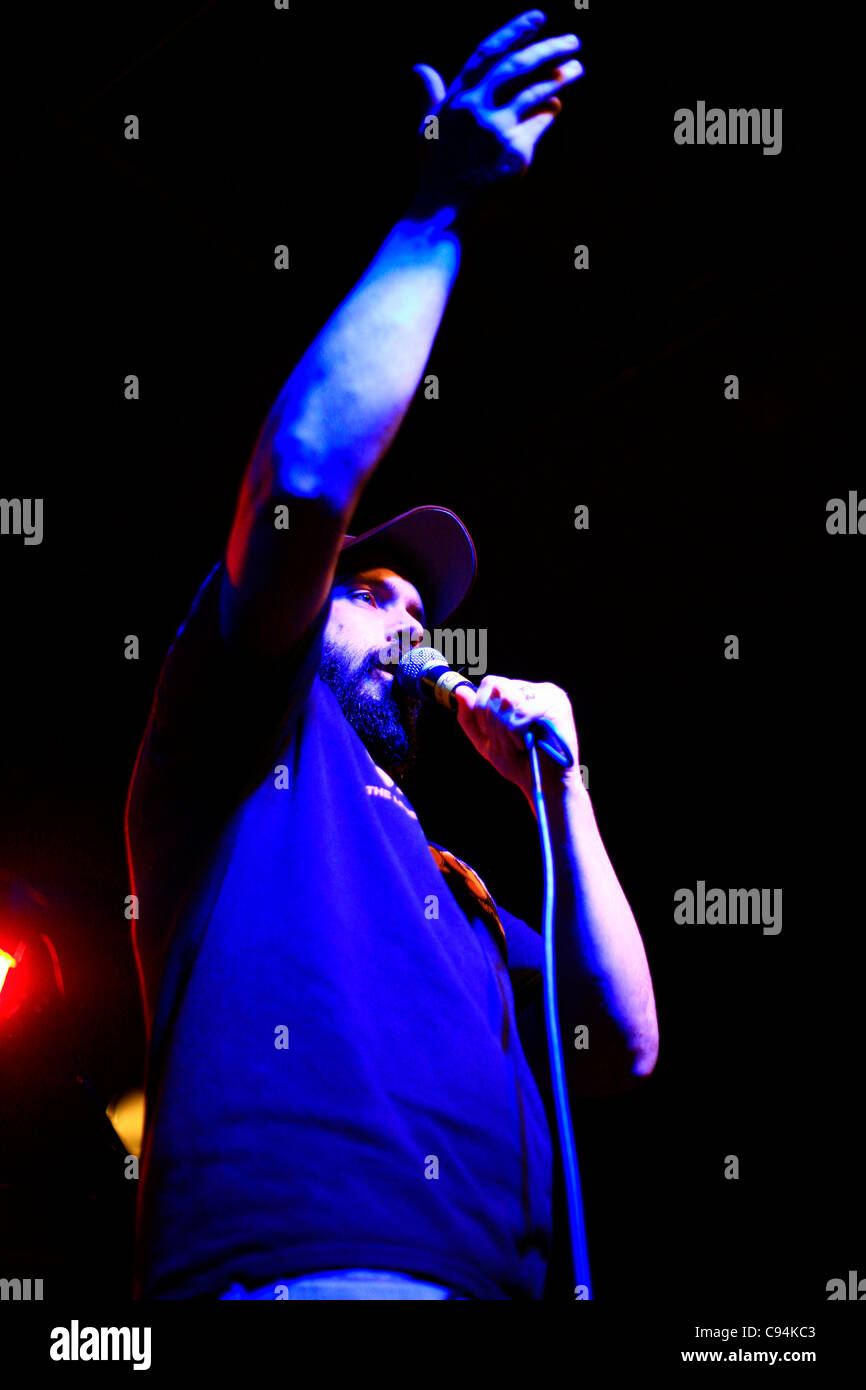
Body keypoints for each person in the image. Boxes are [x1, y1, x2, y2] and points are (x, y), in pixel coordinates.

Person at [124, 9, 658, 1302]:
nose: (412, 617)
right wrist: (438, 214)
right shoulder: (245, 733)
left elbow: (620, 1036)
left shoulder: (460, 876)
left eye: (419, 604)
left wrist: (559, 793)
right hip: (320, 1267)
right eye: (370, 590)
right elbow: (304, 478)